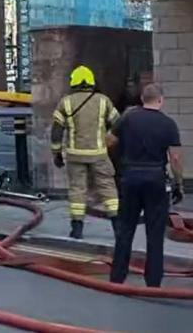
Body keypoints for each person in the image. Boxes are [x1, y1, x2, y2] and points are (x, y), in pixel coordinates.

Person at [109, 83, 183, 287]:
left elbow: (109, 141)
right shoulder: (168, 123)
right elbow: (175, 158)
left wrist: (120, 162)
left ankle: (117, 277)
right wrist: (178, 183)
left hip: (130, 177)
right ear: (160, 100)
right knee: (155, 233)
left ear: (142, 99)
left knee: (125, 229)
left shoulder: (127, 119)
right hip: (155, 178)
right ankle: (153, 281)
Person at [50, 65, 120, 239]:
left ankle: (77, 228)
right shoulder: (103, 101)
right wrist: (110, 139)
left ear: (73, 82)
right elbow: (119, 124)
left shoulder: (66, 102)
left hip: (75, 155)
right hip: (99, 154)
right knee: (107, 188)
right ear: (91, 82)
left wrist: (57, 153)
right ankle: (118, 227)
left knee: (77, 190)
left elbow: (56, 131)